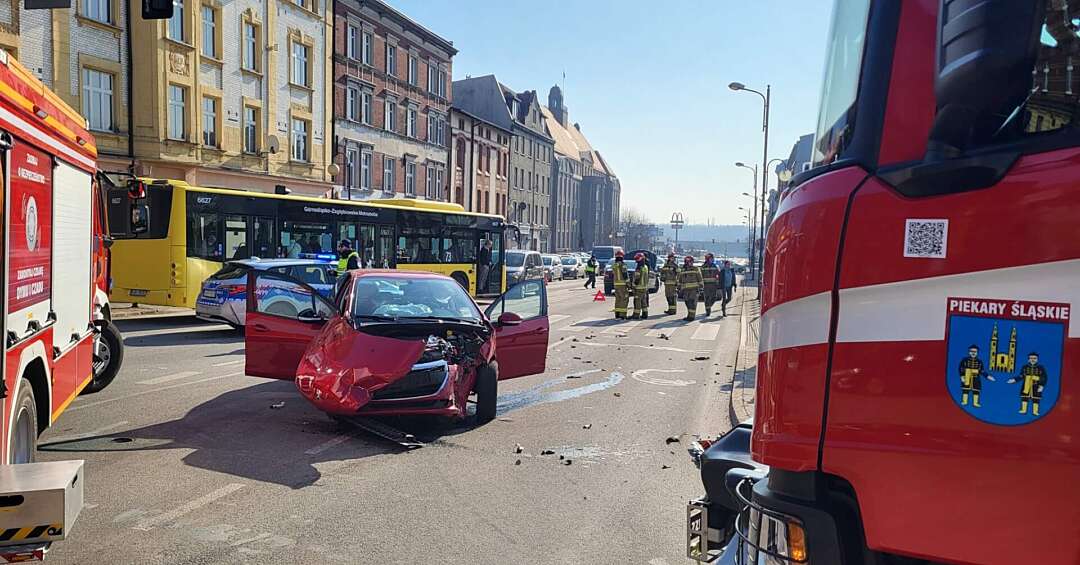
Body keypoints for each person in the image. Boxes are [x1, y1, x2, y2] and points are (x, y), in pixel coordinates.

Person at [677, 255, 703, 322]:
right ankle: (689, 315)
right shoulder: (683, 270)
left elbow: (700, 278)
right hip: (685, 290)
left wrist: (701, 286)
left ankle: (691, 317)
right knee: (687, 302)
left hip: (694, 289)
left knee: (692, 303)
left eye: (691, 262)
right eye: (688, 262)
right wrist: (678, 287)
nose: (690, 263)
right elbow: (680, 279)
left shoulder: (695, 269)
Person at [630, 253, 650, 319]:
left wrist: (634, 285)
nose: (636, 261)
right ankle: (645, 314)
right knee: (643, 301)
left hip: (638, 287)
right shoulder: (645, 267)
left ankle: (636, 315)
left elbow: (637, 278)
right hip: (644, 287)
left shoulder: (639, 267)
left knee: (637, 301)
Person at [611, 250, 629, 319]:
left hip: (616, 284)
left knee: (618, 299)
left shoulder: (614, 265)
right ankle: (623, 315)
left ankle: (617, 314)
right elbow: (625, 275)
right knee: (624, 299)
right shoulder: (623, 265)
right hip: (622, 284)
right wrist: (628, 284)